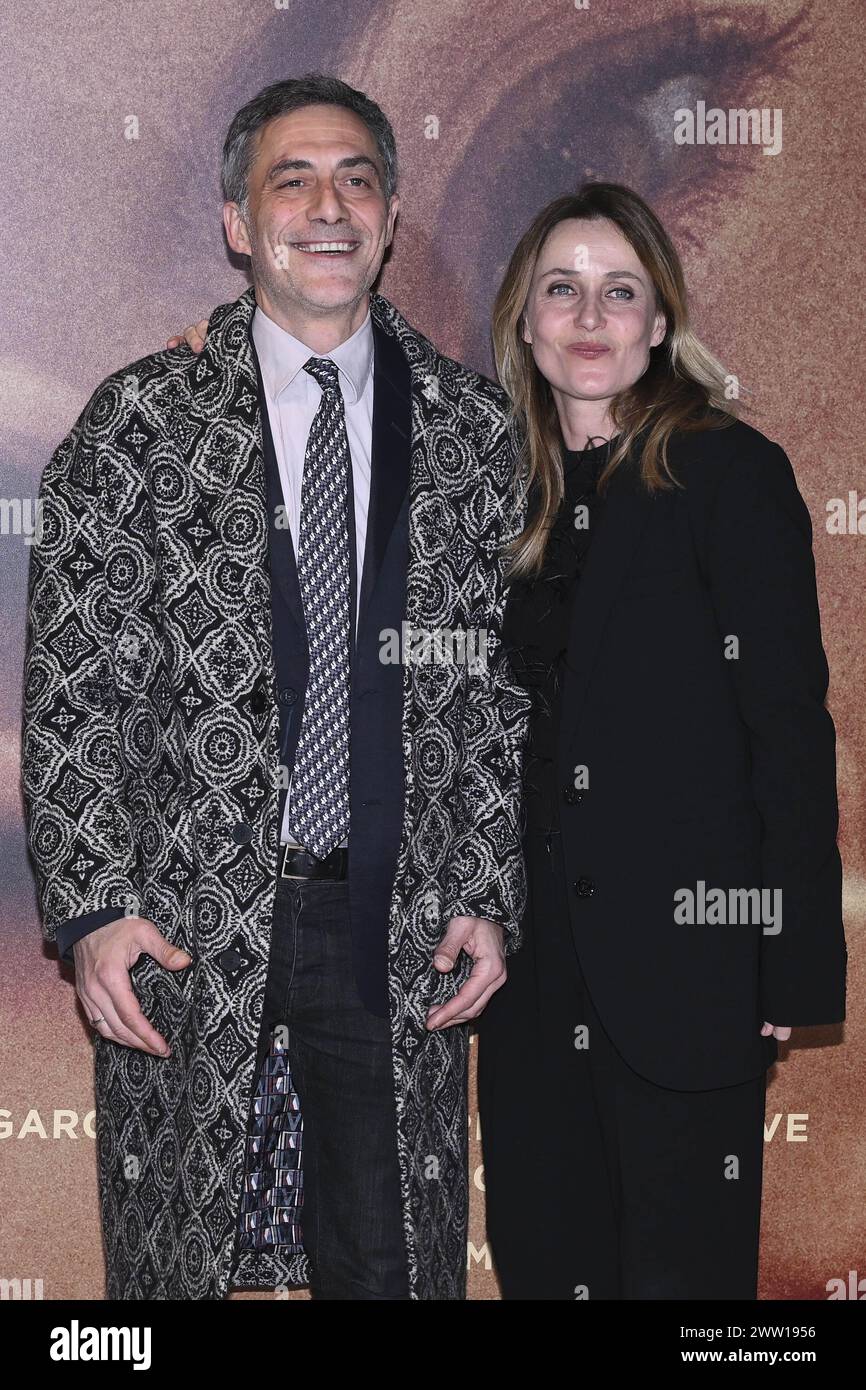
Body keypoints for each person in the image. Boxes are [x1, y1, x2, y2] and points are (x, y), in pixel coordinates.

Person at [20, 73, 530, 1301]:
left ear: (391, 214)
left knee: (388, 1263)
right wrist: (93, 905)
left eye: (356, 176)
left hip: (390, 920)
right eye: (290, 179)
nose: (327, 204)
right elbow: (74, 683)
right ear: (240, 223)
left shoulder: (468, 427)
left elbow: (492, 691)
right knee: (179, 1269)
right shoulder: (139, 421)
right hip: (188, 917)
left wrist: (480, 882)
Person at [476, 181, 847, 1300]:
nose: (589, 315)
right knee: (548, 1270)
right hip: (533, 980)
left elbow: (786, 726)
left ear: (656, 322)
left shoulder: (728, 474)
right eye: (562, 289)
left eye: (618, 289)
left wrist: (789, 953)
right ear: (525, 322)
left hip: (687, 969)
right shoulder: (502, 494)